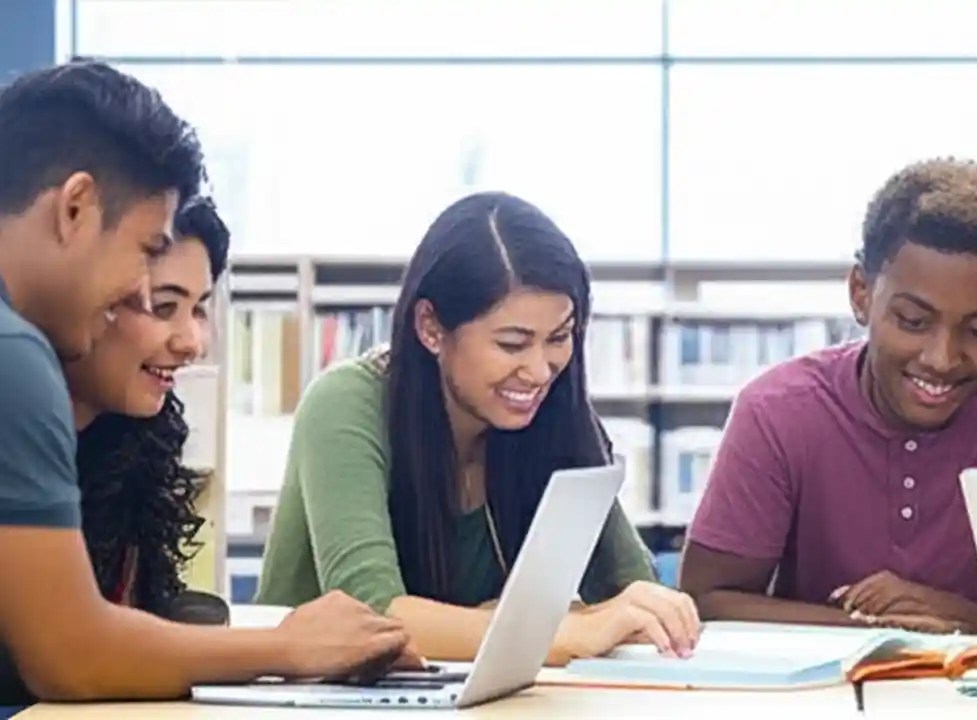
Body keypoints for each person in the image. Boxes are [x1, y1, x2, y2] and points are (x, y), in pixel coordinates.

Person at [0, 61, 410, 706]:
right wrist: (289, 648)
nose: (134, 290)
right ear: (74, 208)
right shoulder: (13, 355)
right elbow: (70, 655)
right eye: (144, 253)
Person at [256, 191, 701, 662]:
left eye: (559, 338)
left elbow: (634, 591)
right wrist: (566, 631)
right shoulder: (347, 404)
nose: (539, 370)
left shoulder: (549, 411)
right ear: (430, 328)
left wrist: (632, 612)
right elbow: (373, 619)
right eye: (512, 344)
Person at [679, 158, 977, 635]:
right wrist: (878, 631)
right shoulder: (777, 412)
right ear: (861, 294)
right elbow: (705, 602)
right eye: (913, 321)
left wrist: (955, 619)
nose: (942, 358)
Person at [64, 196, 228, 619]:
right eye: (163, 307)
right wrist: (284, 647)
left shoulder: (137, 439)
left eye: (199, 309)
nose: (191, 342)